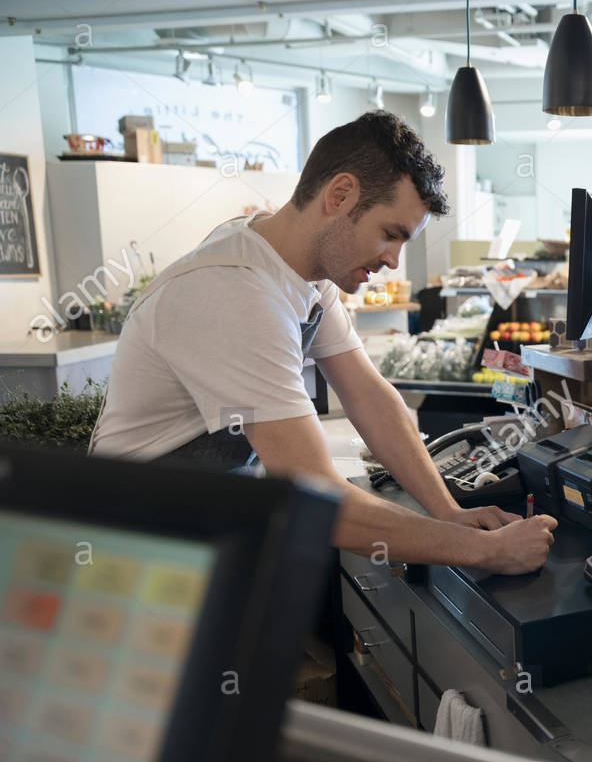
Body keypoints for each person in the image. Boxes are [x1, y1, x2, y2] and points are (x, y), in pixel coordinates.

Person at [89, 111, 555, 574]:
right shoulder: (234, 293)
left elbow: (369, 396)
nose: (394, 260)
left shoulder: (303, 272)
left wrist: (448, 510)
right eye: (390, 234)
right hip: (128, 558)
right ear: (340, 195)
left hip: (199, 536)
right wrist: (482, 550)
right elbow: (315, 493)